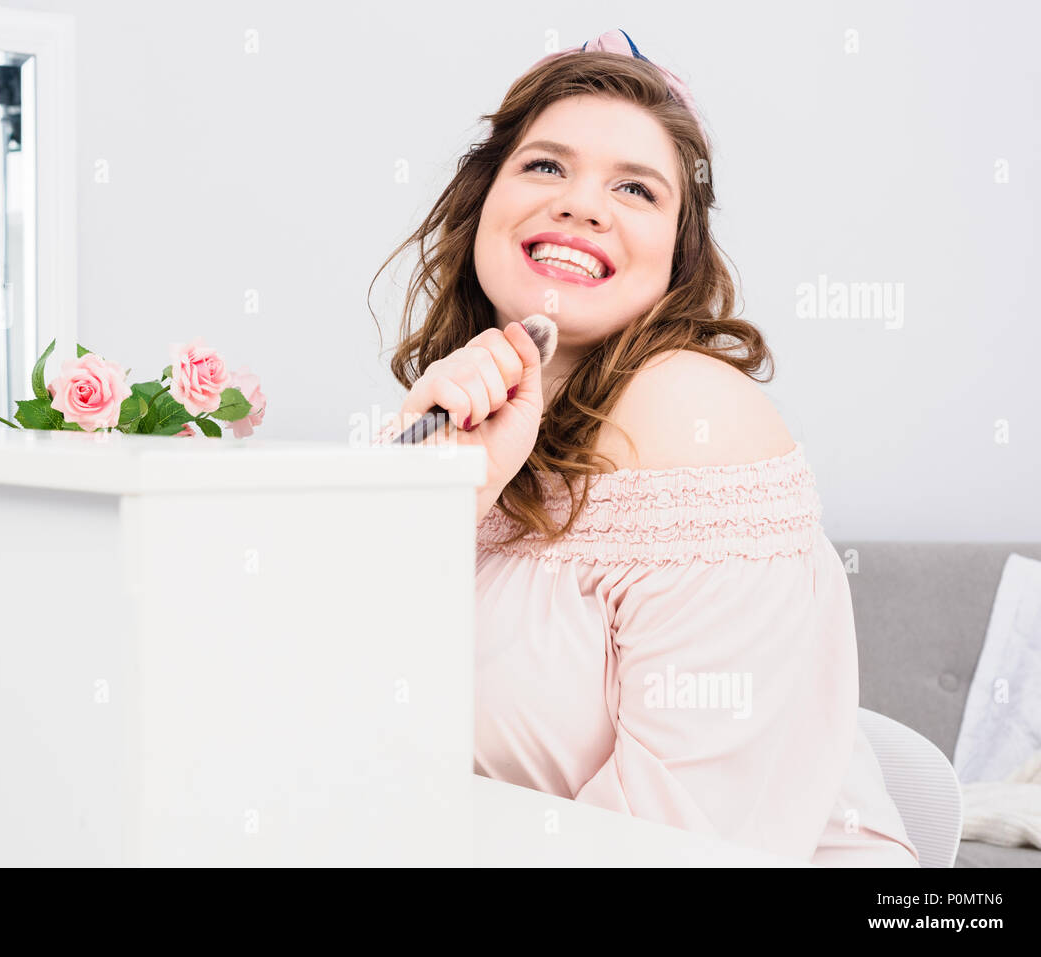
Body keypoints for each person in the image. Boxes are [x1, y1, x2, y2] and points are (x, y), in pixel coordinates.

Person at [369, 28, 919, 866]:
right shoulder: (451, 416)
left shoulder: (692, 416)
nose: (583, 204)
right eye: (546, 165)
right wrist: (439, 497)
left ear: (676, 256)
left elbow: (677, 838)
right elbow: (321, 716)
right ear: (485, 200)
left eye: (636, 188)